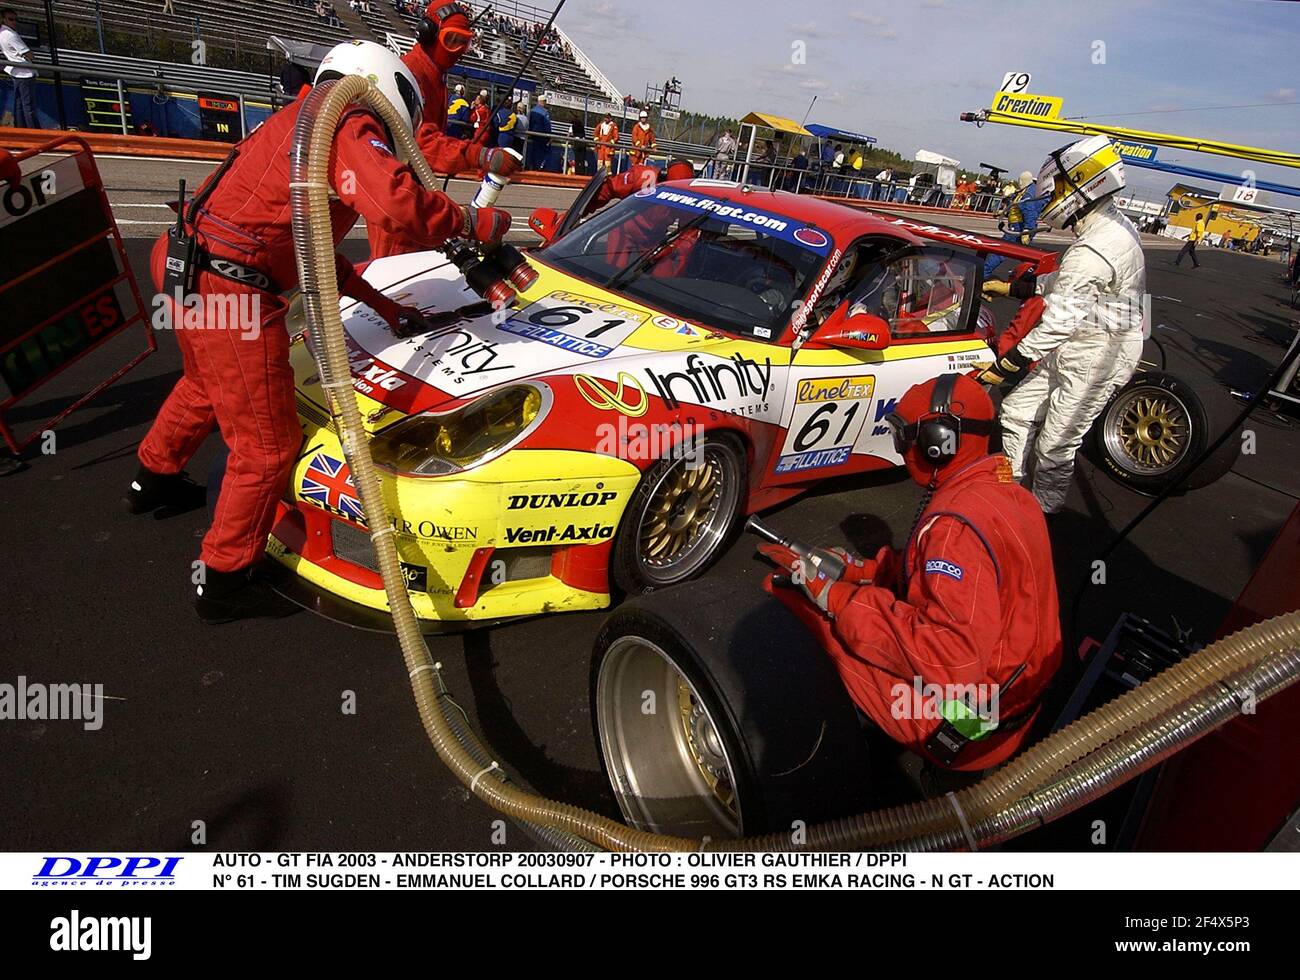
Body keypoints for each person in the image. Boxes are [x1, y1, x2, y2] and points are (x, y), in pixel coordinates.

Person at [125, 41, 512, 624]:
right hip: (230, 286)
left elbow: (308, 250)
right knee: (267, 445)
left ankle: (151, 479)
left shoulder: (299, 119)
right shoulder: (348, 121)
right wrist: (472, 220)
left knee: (206, 383)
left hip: (187, 261)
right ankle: (224, 577)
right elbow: (398, 206)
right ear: (387, 93)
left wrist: (380, 302)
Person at [758, 374, 1063, 773]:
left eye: (905, 437)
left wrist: (838, 599)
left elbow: (952, 661)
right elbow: (944, 580)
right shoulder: (1008, 493)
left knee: (791, 602)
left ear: (940, 443)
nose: (902, 449)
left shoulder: (954, 530)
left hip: (969, 728)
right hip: (1015, 702)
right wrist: (866, 571)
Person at [981, 135, 1146, 515]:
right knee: (1016, 413)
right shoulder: (1109, 227)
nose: (1049, 198)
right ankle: (1010, 493)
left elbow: (1057, 321)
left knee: (1055, 445)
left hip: (1098, 357)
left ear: (1084, 184)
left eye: (1056, 188)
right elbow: (1072, 286)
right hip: (1084, 342)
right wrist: (1012, 287)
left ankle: (1042, 516)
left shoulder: (1094, 249)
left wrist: (1002, 368)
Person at [368, 3, 520, 258]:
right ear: (427, 34)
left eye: (465, 42)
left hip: (415, 192)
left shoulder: (435, 74)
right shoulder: (411, 73)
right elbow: (419, 144)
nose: (460, 51)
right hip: (397, 194)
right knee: (394, 274)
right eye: (452, 40)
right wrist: (482, 156)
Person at [983, 170, 1046, 279]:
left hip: (1017, 229)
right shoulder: (1023, 192)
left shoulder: (1028, 194)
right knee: (1025, 255)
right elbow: (1016, 207)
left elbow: (1030, 212)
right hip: (1017, 227)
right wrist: (1003, 213)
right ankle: (1036, 276)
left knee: (1000, 251)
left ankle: (982, 275)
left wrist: (1027, 229)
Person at [1, 8, 38, 129]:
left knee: (19, 104)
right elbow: (28, 54)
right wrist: (33, 57)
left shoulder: (2, 33)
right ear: (3, 20)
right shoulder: (10, 34)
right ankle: (34, 132)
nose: (14, 22)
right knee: (28, 105)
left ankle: (21, 129)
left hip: (16, 72)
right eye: (11, 19)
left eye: (16, 19)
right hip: (24, 73)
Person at [526, 92, 551, 171]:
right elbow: (547, 125)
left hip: (532, 134)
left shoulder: (532, 111)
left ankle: (531, 165)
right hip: (542, 135)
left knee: (533, 151)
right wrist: (549, 135)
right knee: (541, 153)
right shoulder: (545, 112)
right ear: (543, 101)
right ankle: (539, 167)